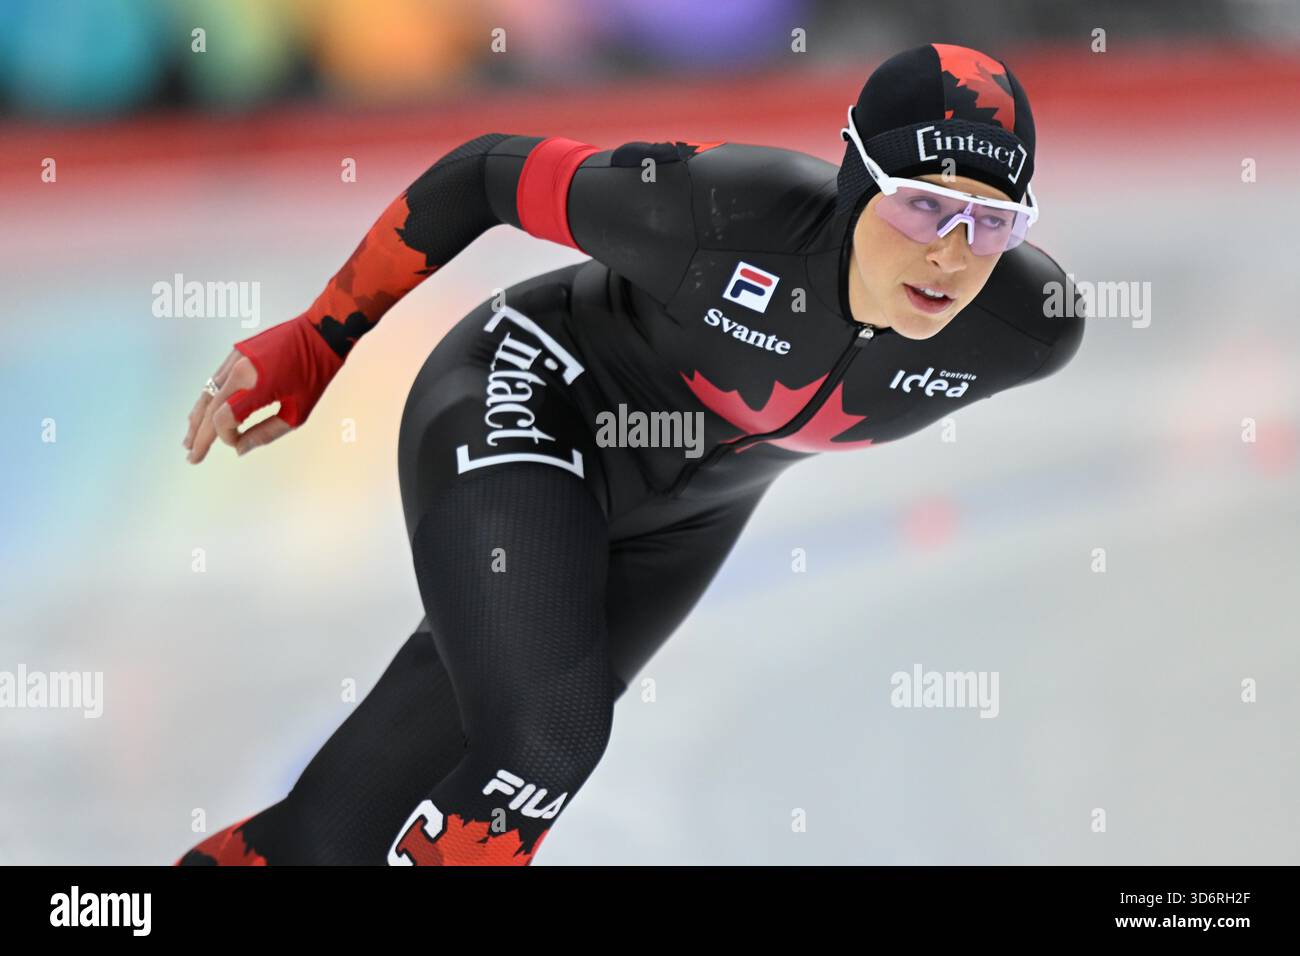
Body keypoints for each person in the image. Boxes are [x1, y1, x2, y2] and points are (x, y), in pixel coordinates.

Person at [176, 42, 1082, 866]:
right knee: (547, 741)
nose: (952, 258)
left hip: (692, 513)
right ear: (854, 182)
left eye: (992, 223)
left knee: (330, 836)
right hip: (531, 396)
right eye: (924, 207)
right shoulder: (724, 214)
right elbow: (484, 173)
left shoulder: (1024, 331)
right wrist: (321, 336)